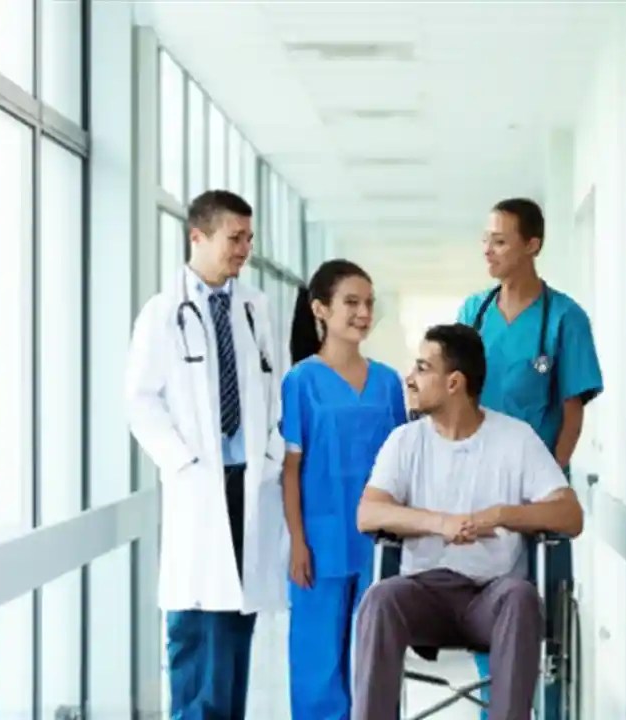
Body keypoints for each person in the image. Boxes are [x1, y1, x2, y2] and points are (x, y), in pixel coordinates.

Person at [352, 324, 584, 720]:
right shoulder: (405, 441)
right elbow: (368, 513)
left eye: (423, 368)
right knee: (379, 599)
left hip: (490, 597)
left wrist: (503, 514)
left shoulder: (516, 439)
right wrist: (439, 522)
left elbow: (570, 515)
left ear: (454, 382)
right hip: (423, 594)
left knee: (521, 598)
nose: (410, 378)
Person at [125, 189, 288, 719]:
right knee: (198, 631)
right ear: (198, 236)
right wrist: (185, 463)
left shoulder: (255, 308)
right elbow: (140, 401)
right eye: (234, 238)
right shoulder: (162, 313)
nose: (244, 249)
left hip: (249, 480)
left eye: (249, 238)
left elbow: (275, 391)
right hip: (199, 485)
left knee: (237, 626)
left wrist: (269, 456)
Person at [455, 198, 603, 715]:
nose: (488, 250)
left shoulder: (565, 318)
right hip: (479, 487)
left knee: (545, 633)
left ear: (532, 245)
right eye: (485, 239)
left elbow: (572, 413)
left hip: (538, 495)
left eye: (499, 240)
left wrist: (549, 488)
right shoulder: (472, 314)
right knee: (484, 623)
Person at [280, 260, 406, 719]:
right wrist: (297, 542)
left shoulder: (388, 382)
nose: (363, 313)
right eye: (351, 302)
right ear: (320, 309)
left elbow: (403, 463)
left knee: (377, 656)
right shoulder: (300, 381)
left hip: (379, 538)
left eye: (368, 303)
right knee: (317, 660)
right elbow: (290, 470)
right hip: (320, 539)